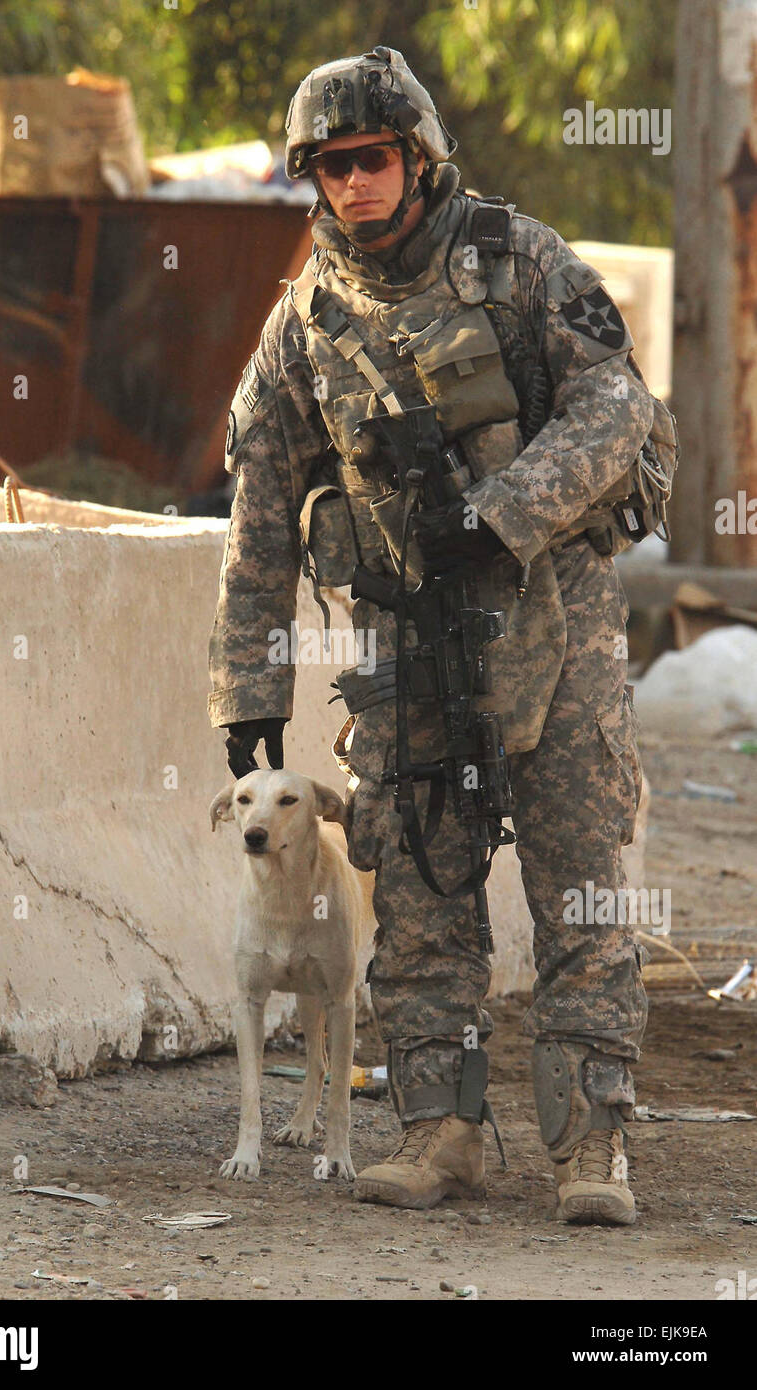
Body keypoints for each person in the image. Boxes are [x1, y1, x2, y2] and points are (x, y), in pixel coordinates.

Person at [209, 46, 653, 1224]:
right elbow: (258, 505)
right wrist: (245, 687)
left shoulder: (518, 262)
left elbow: (619, 406)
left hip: (551, 621)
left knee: (582, 883)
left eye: (369, 159)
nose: (351, 185)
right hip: (404, 646)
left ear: (418, 156)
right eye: (328, 167)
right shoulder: (305, 320)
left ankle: (593, 1146)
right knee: (413, 882)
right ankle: (442, 1128)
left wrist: (495, 517)